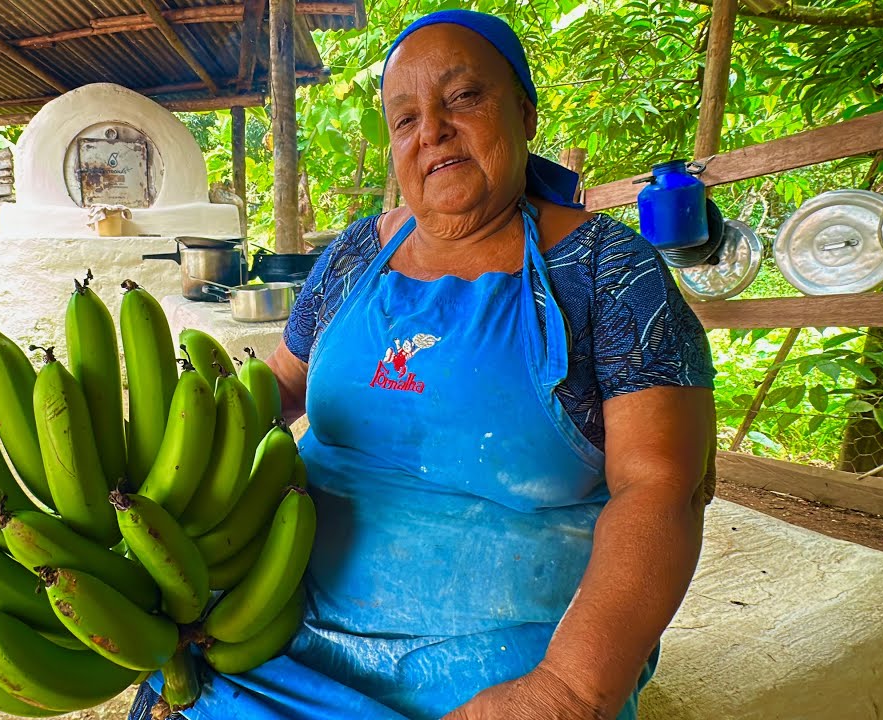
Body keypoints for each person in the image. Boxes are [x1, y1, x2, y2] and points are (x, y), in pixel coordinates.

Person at [130, 9, 716, 720]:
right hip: (271, 633)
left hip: (500, 674)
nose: (431, 129)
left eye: (463, 97)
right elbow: (281, 386)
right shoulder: (351, 256)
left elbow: (662, 489)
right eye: (404, 118)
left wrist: (568, 689)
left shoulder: (609, 272)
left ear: (525, 112)